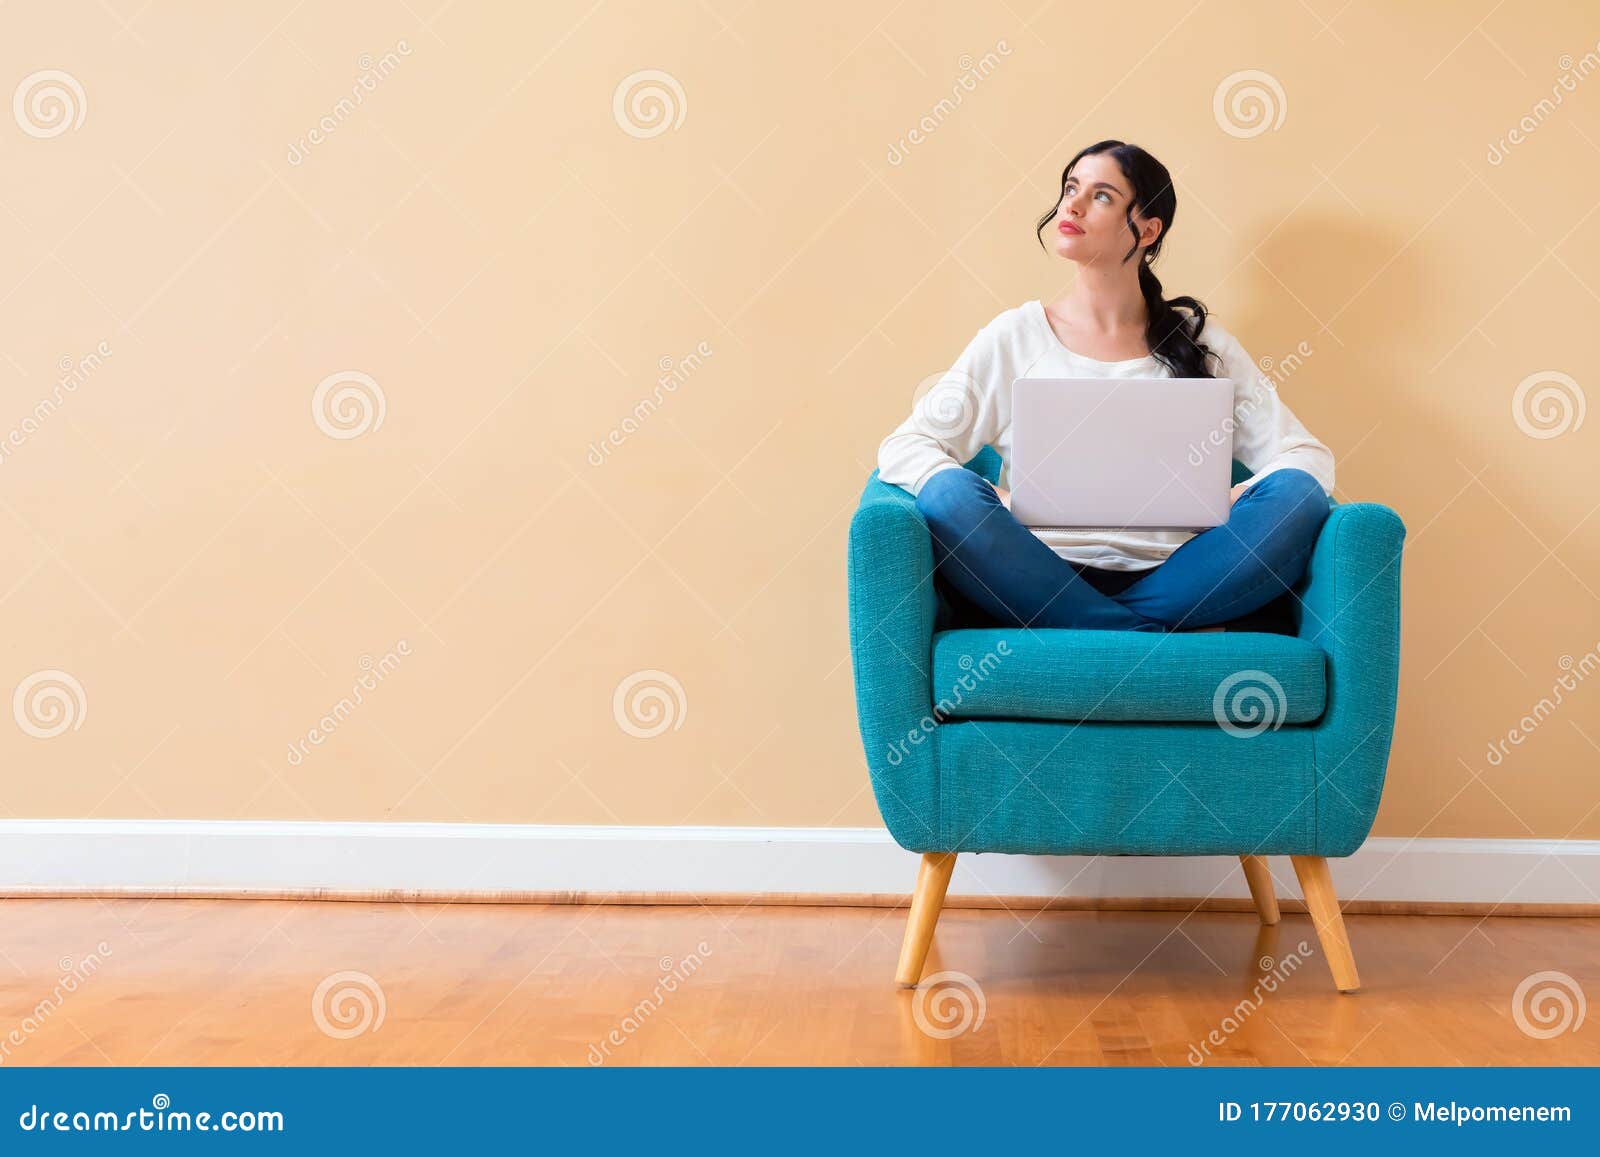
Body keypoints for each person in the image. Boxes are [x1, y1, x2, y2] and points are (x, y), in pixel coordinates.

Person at [877, 139, 1334, 633]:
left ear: (1147, 229)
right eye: (1071, 187)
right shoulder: (1015, 336)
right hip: (1035, 572)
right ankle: (1139, 634)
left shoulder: (1200, 343)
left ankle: (1101, 629)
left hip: (1183, 576)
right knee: (949, 494)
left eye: (1101, 196)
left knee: (1298, 492)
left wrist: (1235, 495)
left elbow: (1307, 458)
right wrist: (1004, 499)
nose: (1069, 205)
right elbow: (904, 448)